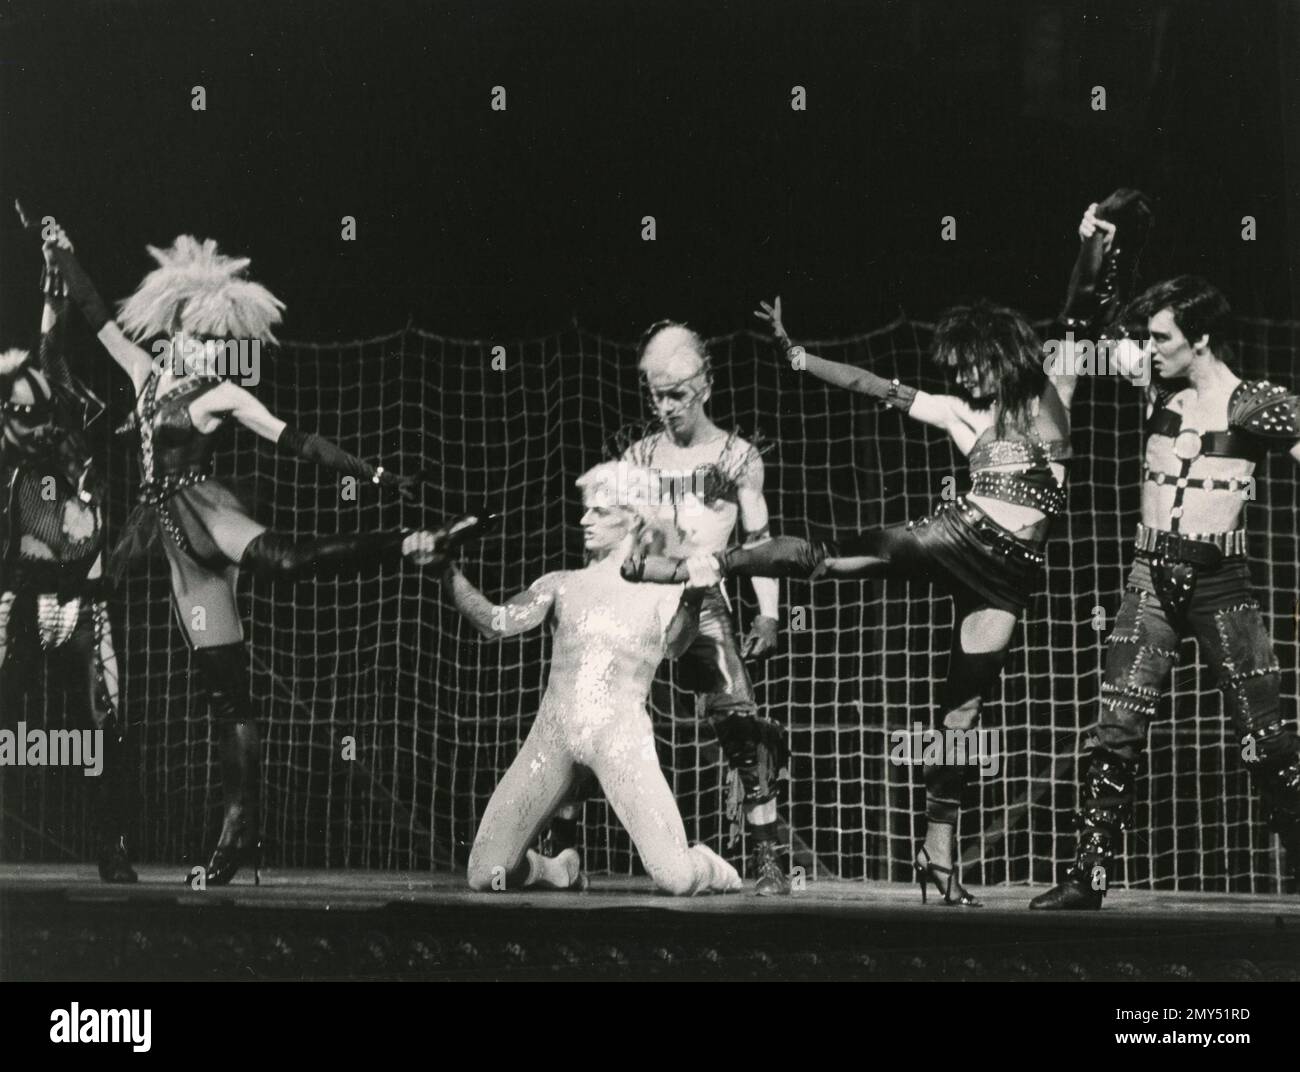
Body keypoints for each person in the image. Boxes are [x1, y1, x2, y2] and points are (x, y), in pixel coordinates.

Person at [45, 223, 472, 885]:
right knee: (228, 697)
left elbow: (298, 441)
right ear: (174, 334)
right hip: (172, 542)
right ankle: (236, 831)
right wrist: (63, 251)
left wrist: (376, 475)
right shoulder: (142, 373)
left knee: (289, 564)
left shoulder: (223, 396)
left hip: (208, 514)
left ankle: (408, 544)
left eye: (221, 343)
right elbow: (95, 314)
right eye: (201, 339)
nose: (211, 351)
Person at [1030, 267, 1300, 909]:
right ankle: (1087, 881)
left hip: (1220, 583)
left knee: (1268, 737)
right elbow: (1075, 337)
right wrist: (1093, 255)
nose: (1149, 349)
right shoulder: (1154, 386)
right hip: (1148, 578)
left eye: (1161, 337)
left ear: (1200, 338)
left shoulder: (1256, 404)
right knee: (1114, 730)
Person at [447, 461, 741, 896]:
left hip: (620, 740)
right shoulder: (560, 584)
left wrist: (695, 595)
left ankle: (713, 868)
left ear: (634, 517)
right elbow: (495, 622)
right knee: (485, 873)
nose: (585, 519)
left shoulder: (662, 587)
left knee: (676, 879)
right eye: (587, 510)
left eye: (600, 511)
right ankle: (556, 870)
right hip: (552, 739)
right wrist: (445, 569)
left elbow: (676, 646)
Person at [0, 236, 135, 882]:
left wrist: (57, 270)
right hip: (24, 598)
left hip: (85, 603)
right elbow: (45, 349)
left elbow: (53, 348)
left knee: (105, 724)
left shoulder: (74, 435)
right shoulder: (13, 454)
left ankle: (110, 845)